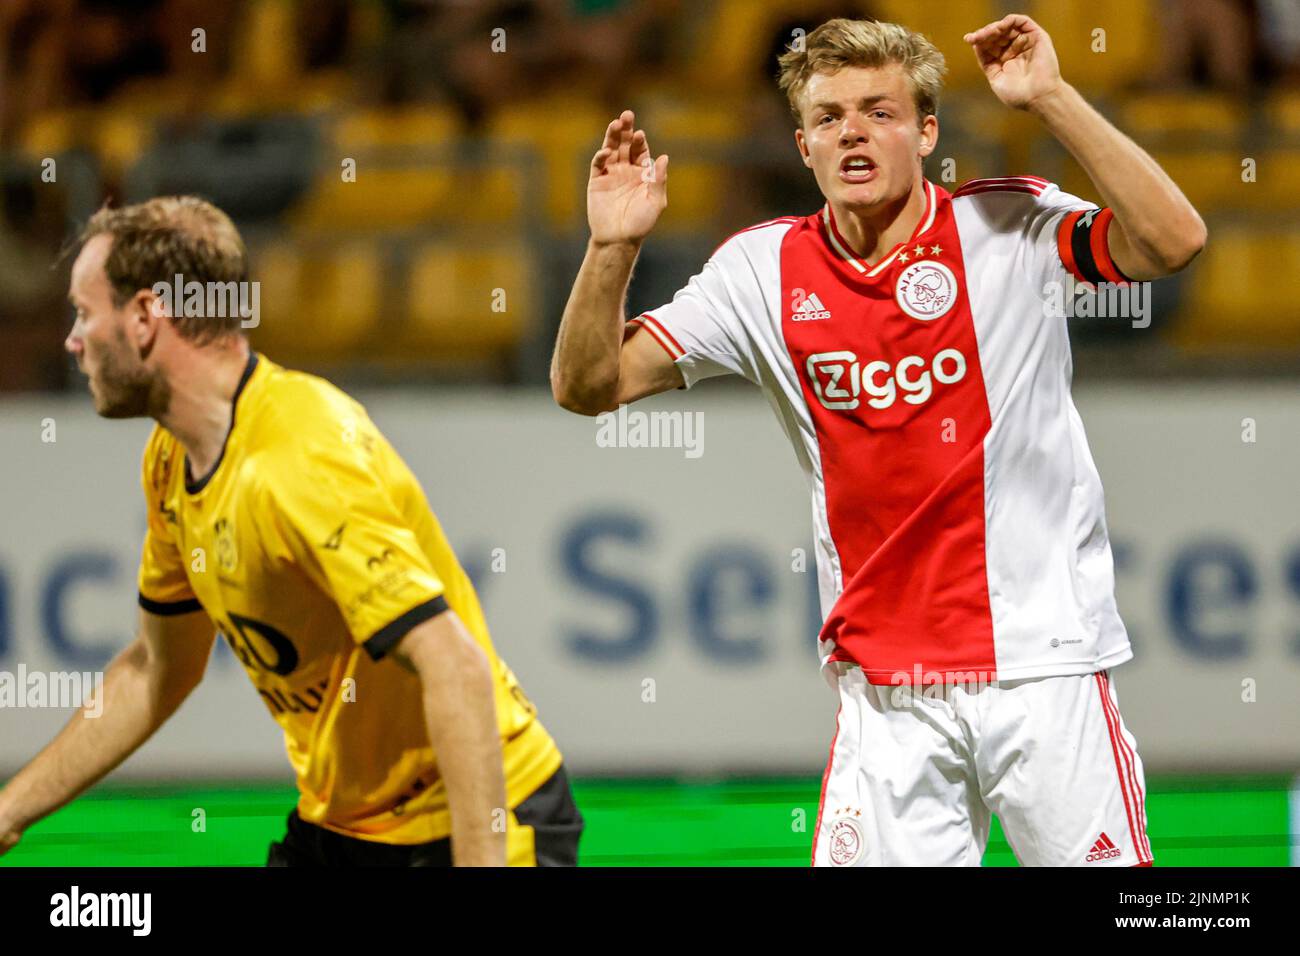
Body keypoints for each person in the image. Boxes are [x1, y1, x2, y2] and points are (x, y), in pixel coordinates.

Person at [551, 15, 1207, 866]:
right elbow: (587, 387)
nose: (853, 132)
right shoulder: (761, 272)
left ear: (927, 132)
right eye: (830, 118)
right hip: (887, 696)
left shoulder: (1009, 226)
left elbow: (1174, 241)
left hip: (1043, 669)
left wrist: (1049, 97)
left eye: (880, 112)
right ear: (803, 146)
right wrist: (612, 246)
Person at [0, 196, 581, 866]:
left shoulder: (298, 455)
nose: (72, 339)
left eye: (83, 311)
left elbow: (456, 666)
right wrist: (10, 813)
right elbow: (157, 669)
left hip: (478, 817)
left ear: (143, 318)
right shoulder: (170, 461)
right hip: (345, 828)